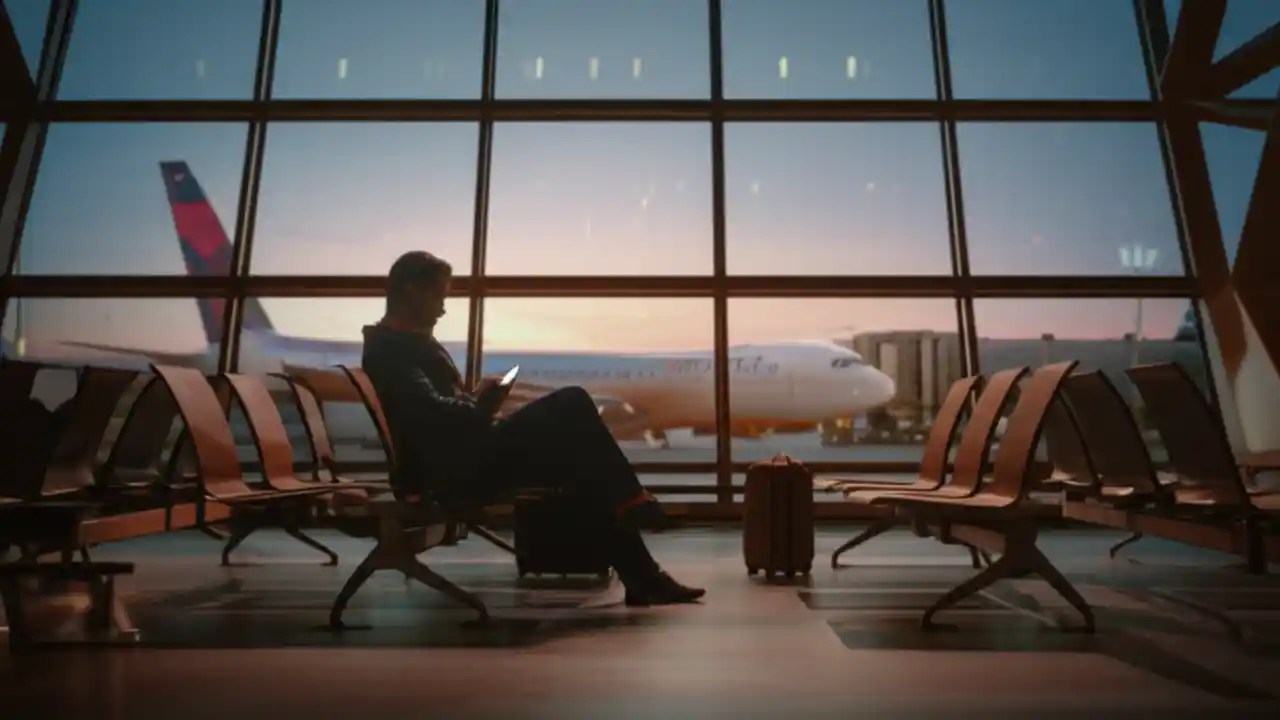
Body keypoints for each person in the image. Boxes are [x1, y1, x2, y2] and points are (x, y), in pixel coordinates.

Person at [360, 250, 704, 606]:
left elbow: (433, 413)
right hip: (453, 472)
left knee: (580, 462)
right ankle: (635, 511)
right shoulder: (392, 352)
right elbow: (431, 415)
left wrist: (478, 401)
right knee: (572, 403)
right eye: (439, 296)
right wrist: (480, 402)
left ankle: (643, 570)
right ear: (411, 291)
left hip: (460, 457)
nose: (443, 309)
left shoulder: (404, 346)